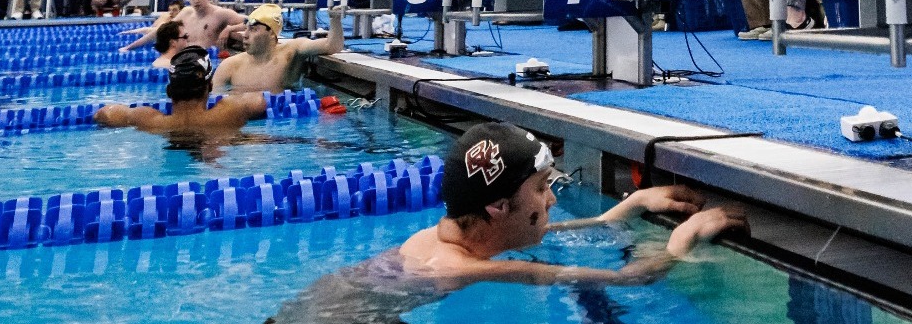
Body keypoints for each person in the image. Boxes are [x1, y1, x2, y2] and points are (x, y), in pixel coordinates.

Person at [265, 123, 744, 324]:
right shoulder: (460, 270)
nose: (553, 199)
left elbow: (540, 231)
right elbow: (629, 278)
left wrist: (626, 208)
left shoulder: (437, 237)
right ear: (497, 207)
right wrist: (683, 241)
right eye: (540, 189)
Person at [94, 46, 268, 135]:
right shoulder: (229, 111)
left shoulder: (148, 120)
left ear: (169, 91)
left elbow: (104, 114)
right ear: (210, 87)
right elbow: (258, 102)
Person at [213, 3, 345, 93]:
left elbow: (332, 45)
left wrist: (335, 20)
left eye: (253, 30)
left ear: (271, 33)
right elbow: (213, 104)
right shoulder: (229, 66)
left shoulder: (291, 51)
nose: (245, 35)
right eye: (246, 29)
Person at [178, 0, 249, 51]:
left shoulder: (220, 14)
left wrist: (230, 29)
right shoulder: (186, 13)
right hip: (188, 57)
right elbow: (167, 27)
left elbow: (251, 21)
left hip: (211, 58)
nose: (196, 1)